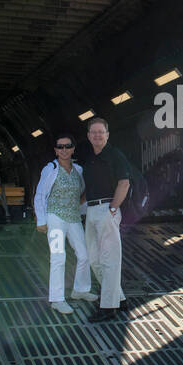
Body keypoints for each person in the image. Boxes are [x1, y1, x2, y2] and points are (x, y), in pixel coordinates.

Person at [32, 133, 96, 314]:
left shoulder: (78, 170)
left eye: (68, 146)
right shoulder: (50, 168)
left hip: (74, 217)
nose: (64, 150)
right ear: (55, 150)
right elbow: (40, 194)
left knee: (84, 255)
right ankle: (57, 299)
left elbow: (84, 192)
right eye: (60, 147)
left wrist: (83, 210)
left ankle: (80, 290)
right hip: (55, 217)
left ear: (73, 149)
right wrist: (42, 220)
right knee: (59, 257)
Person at [79, 116, 131, 319]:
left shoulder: (115, 156)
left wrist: (112, 209)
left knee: (110, 260)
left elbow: (124, 183)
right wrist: (77, 205)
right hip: (91, 210)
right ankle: (120, 298)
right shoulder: (90, 158)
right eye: (94, 132)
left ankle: (108, 308)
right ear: (89, 136)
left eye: (101, 132)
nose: (97, 135)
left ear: (107, 135)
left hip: (107, 209)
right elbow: (88, 188)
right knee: (94, 259)